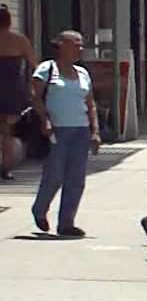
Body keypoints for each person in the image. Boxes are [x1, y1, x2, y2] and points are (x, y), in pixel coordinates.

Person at [29, 31, 100, 236]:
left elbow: (90, 103)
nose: (79, 48)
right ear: (61, 45)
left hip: (80, 130)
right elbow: (35, 97)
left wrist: (95, 131)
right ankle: (40, 209)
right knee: (54, 175)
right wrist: (45, 120)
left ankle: (66, 223)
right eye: (75, 44)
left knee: (76, 178)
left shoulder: (82, 73)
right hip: (57, 131)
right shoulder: (47, 69)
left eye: (81, 45)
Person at [0, 6, 37, 179]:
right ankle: (6, 168)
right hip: (12, 89)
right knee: (7, 131)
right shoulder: (19, 41)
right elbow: (34, 64)